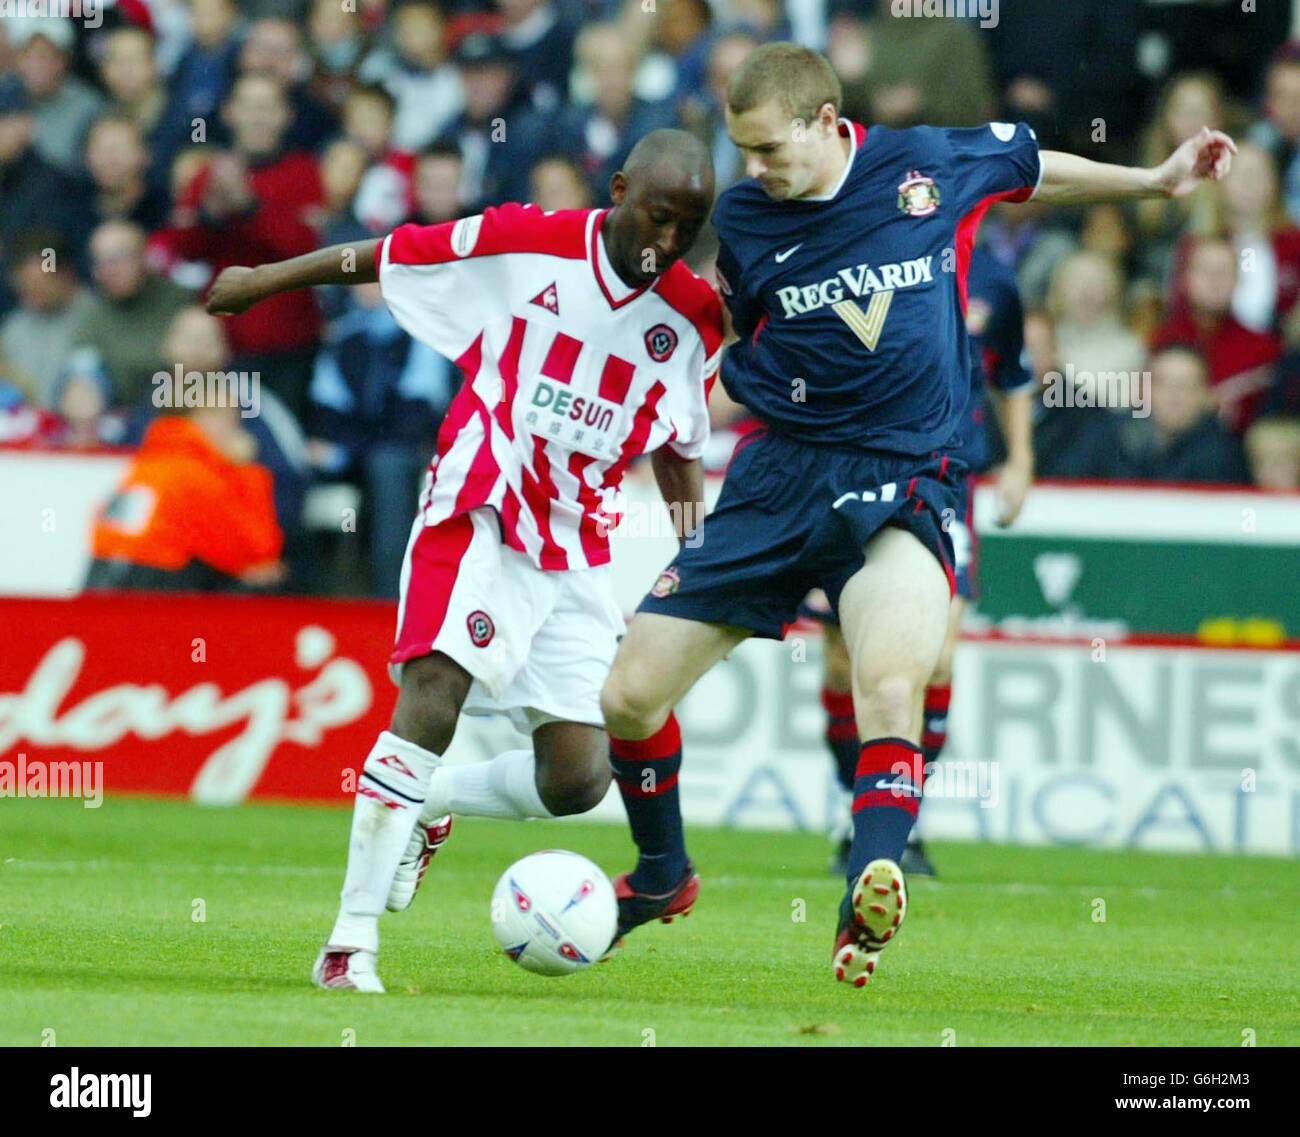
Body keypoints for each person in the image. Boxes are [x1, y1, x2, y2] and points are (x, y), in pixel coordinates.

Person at [594, 41, 1235, 988]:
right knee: (628, 695)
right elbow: (740, 332)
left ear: (824, 122)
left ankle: (869, 881)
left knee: (892, 681)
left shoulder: (925, 164)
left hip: (901, 477)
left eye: (768, 148)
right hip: (776, 475)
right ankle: (661, 877)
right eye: (743, 151)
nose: (754, 169)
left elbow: (1036, 170)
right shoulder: (743, 215)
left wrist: (1154, 178)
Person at [206, 128, 723, 992]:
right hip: (479, 501)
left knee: (579, 779)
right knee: (433, 694)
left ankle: (430, 805)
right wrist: (264, 282)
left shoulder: (692, 317)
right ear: (621, 189)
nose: (665, 244)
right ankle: (349, 944)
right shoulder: (529, 240)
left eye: (688, 228)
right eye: (658, 219)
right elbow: (390, 254)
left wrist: (698, 550)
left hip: (574, 542)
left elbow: (677, 446)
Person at [815, 244, 1036, 879]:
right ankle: (848, 803)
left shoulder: (995, 275)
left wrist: (1020, 459)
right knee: (842, 661)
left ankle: (907, 818)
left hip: (944, 482)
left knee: (933, 655)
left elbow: (1012, 371)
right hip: (848, 476)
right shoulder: (863, 250)